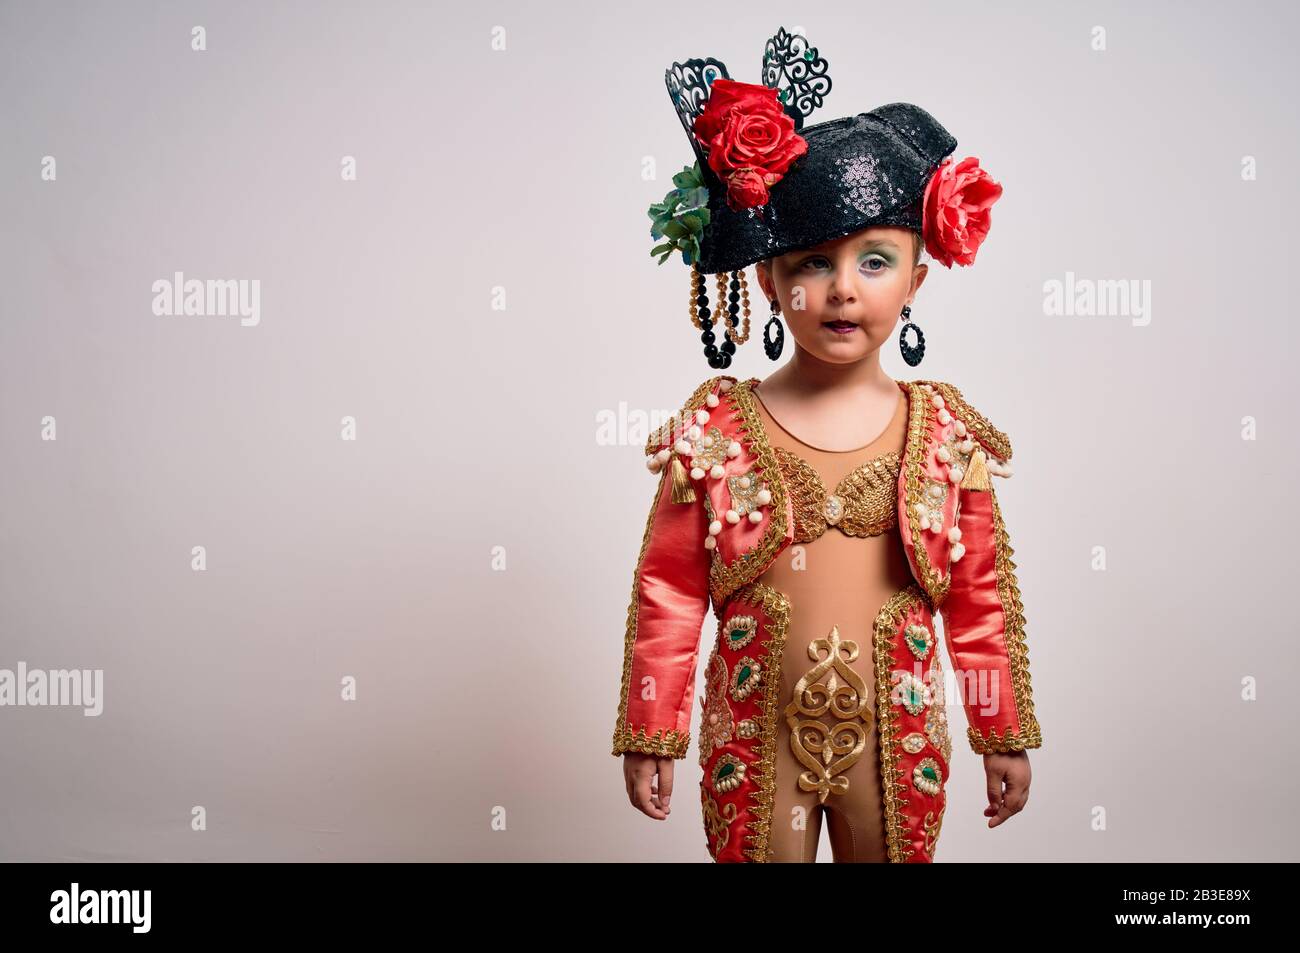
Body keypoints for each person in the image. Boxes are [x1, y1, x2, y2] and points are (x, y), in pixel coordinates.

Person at [614, 26, 1041, 862]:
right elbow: (669, 594)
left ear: (918, 277)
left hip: (901, 735)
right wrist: (650, 727)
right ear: (770, 281)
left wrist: (1001, 728)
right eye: (813, 263)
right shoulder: (716, 434)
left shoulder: (947, 438)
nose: (843, 288)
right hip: (750, 738)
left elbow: (978, 602)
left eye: (874, 261)